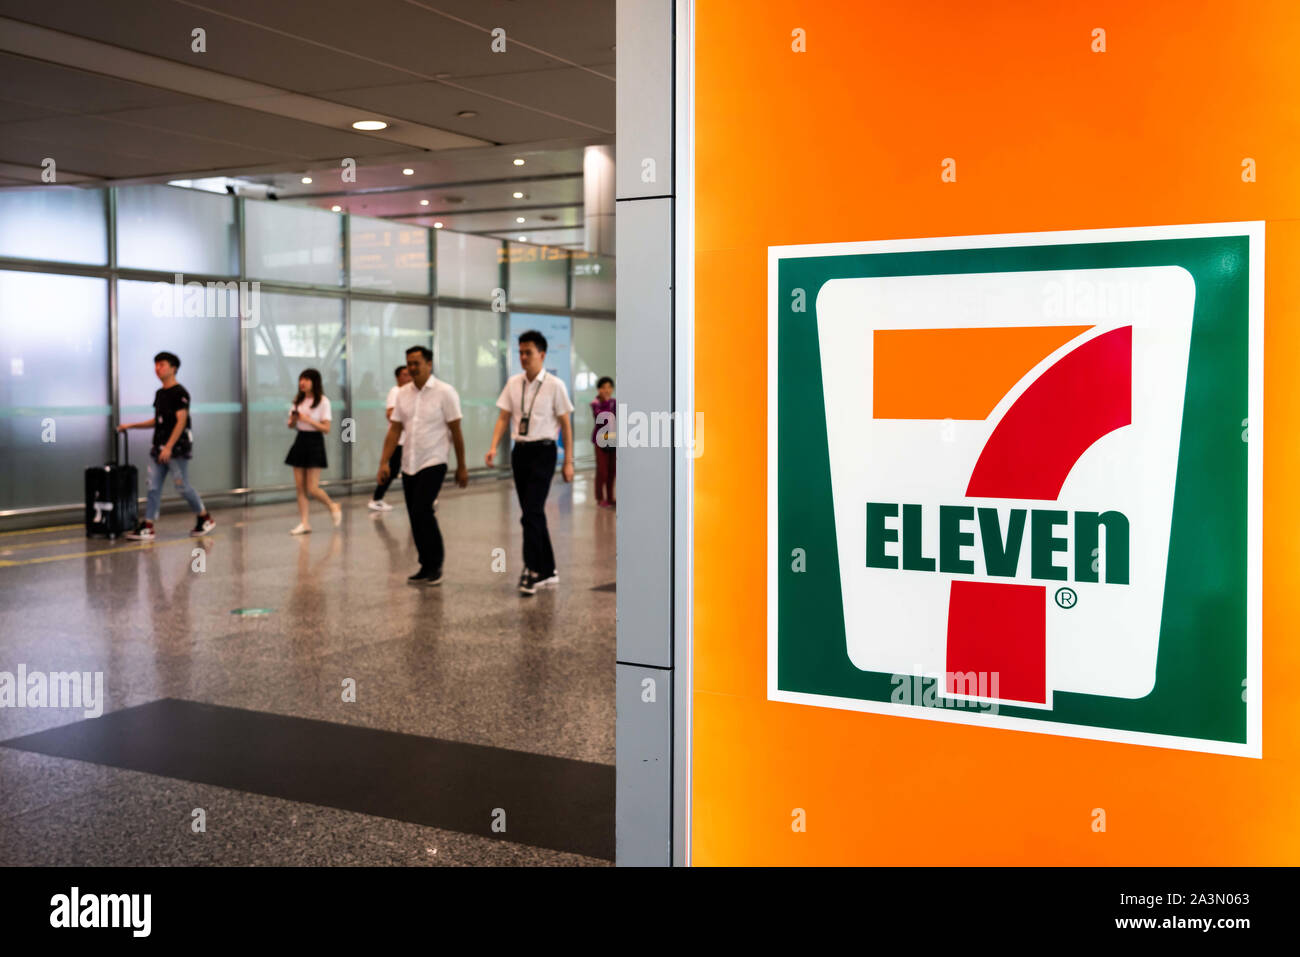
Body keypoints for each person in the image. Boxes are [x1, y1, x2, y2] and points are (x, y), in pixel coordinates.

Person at [486, 330, 575, 596]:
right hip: (520, 452)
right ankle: (548, 569)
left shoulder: (555, 385)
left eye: (529, 353)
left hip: (544, 452)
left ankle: (532, 570)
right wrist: (493, 447)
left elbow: (566, 426)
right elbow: (503, 417)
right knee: (532, 512)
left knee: (531, 512)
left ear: (542, 355)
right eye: (521, 352)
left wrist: (568, 462)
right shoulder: (514, 383)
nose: (523, 357)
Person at [377, 346, 468, 585]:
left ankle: (436, 564)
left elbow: (456, 431)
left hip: (434, 460)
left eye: (416, 363)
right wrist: (384, 462)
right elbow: (395, 430)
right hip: (409, 462)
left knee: (422, 510)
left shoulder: (445, 392)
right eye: (409, 363)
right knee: (414, 515)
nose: (412, 368)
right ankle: (425, 565)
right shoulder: (402, 394)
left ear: (429, 364)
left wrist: (461, 466)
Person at [119, 351, 215, 540]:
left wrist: (169, 447)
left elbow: (181, 420)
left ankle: (205, 517)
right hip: (158, 448)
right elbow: (159, 420)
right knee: (153, 486)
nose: (157, 368)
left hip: (176, 449)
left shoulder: (180, 393)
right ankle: (148, 525)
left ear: (173, 368)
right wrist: (131, 426)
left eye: (162, 364)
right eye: (156, 365)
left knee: (182, 486)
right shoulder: (160, 394)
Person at [284, 368, 341, 535]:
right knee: (300, 487)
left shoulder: (323, 401)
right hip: (300, 440)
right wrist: (293, 420)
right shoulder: (298, 401)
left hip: (315, 441)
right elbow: (291, 426)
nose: (302, 383)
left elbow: (326, 428)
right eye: (301, 379)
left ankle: (332, 506)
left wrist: (307, 419)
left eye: (306, 379)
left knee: (312, 488)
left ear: (314, 382)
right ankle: (304, 523)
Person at [369, 364, 412, 511]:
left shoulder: (410, 392)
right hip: (398, 440)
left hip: (408, 440)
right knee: (392, 470)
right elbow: (390, 414)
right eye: (404, 375)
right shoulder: (396, 391)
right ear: (397, 377)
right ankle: (377, 498)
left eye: (409, 374)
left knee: (411, 470)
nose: (408, 378)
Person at [591, 375, 617, 509]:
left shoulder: (615, 402)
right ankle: (600, 498)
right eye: (603, 387)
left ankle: (610, 497)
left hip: (613, 440)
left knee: (612, 471)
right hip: (600, 441)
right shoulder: (595, 403)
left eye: (609, 387)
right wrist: (607, 402)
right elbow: (602, 418)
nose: (607, 390)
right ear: (599, 389)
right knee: (602, 471)